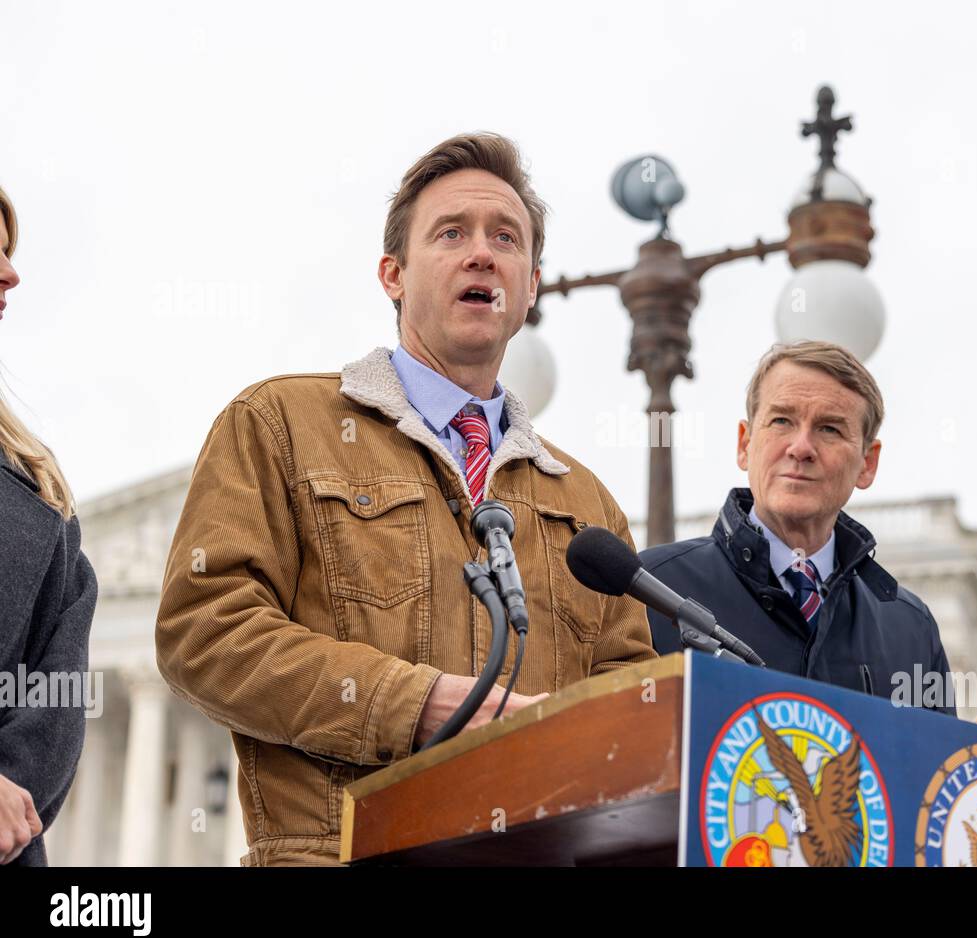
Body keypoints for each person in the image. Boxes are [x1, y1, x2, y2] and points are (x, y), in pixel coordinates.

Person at [154, 134, 656, 866]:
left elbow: (628, 705)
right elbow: (204, 630)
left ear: (531, 287)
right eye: (451, 233)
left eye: (505, 238)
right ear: (393, 274)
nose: (482, 253)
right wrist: (409, 704)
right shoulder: (278, 424)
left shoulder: (587, 503)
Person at [640, 340, 954, 714]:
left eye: (830, 429)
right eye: (782, 421)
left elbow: (933, 769)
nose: (801, 447)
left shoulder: (910, 629)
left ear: (867, 464)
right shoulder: (650, 590)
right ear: (745, 444)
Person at [0, 185, 98, 866]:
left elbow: (59, 684)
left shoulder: (39, 485)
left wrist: (13, 781)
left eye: (8, 254)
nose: (12, 273)